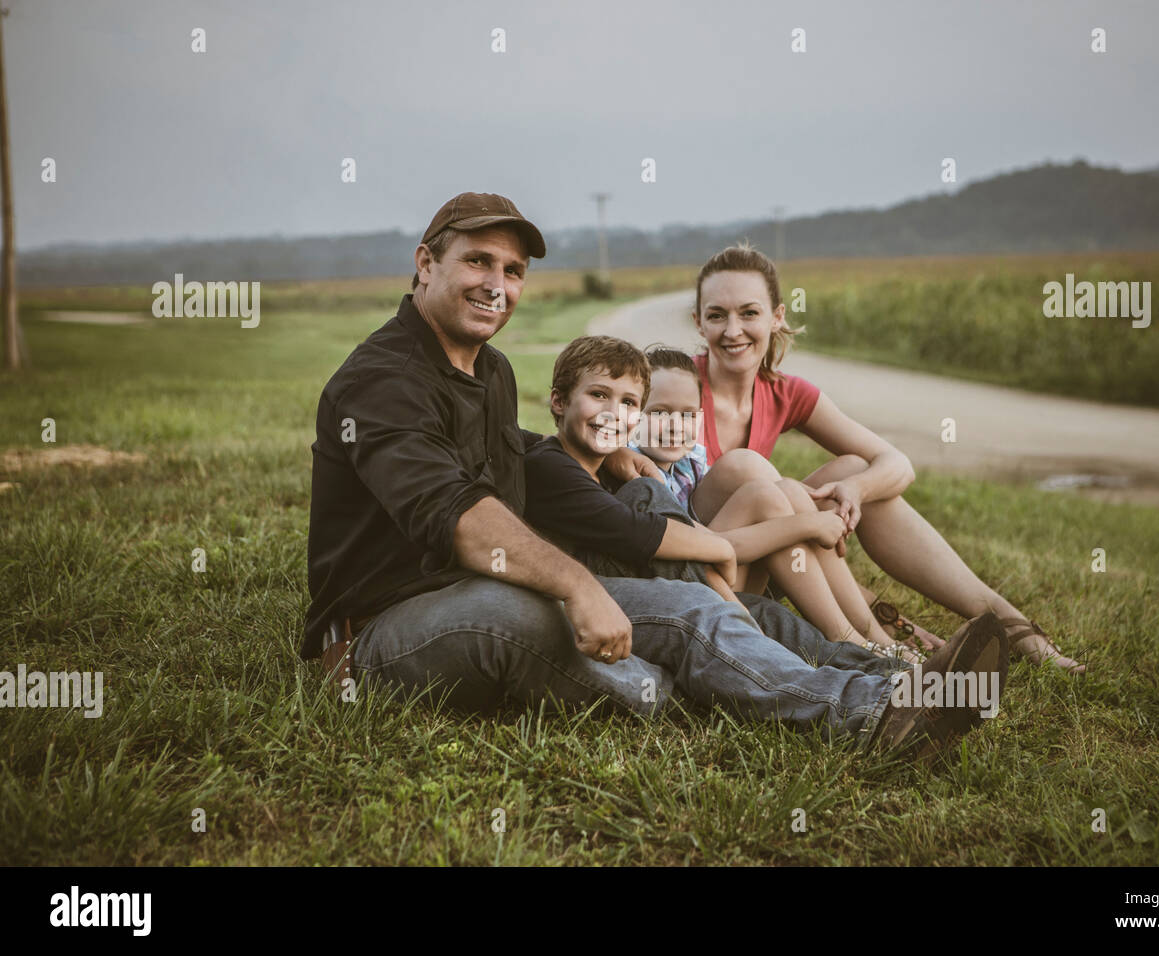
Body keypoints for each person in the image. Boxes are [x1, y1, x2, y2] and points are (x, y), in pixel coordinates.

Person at [302, 190, 1008, 761]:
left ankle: (892, 686)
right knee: (636, 679)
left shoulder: (486, 369)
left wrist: (609, 454)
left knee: (698, 610)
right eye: (478, 262)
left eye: (512, 271)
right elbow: (455, 512)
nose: (497, 285)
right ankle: (848, 713)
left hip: (482, 586)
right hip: (386, 630)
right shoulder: (382, 380)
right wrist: (579, 586)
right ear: (426, 263)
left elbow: (504, 451)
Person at [606, 243, 1084, 674]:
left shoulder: (783, 391)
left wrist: (855, 491)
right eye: (717, 316)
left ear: (775, 317)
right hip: (714, 563)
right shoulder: (672, 386)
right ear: (699, 322)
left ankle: (1007, 623)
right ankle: (876, 635)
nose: (733, 331)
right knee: (747, 468)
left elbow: (897, 464)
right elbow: (605, 430)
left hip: (767, 549)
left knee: (854, 470)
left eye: (748, 313)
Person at [522, 335, 918, 663]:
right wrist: (809, 524)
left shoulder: (654, 460)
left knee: (787, 493)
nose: (674, 426)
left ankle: (864, 635)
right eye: (658, 412)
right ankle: (847, 636)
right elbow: (695, 545)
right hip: (684, 585)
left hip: (717, 576)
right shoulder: (628, 472)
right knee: (761, 495)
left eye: (626, 403)